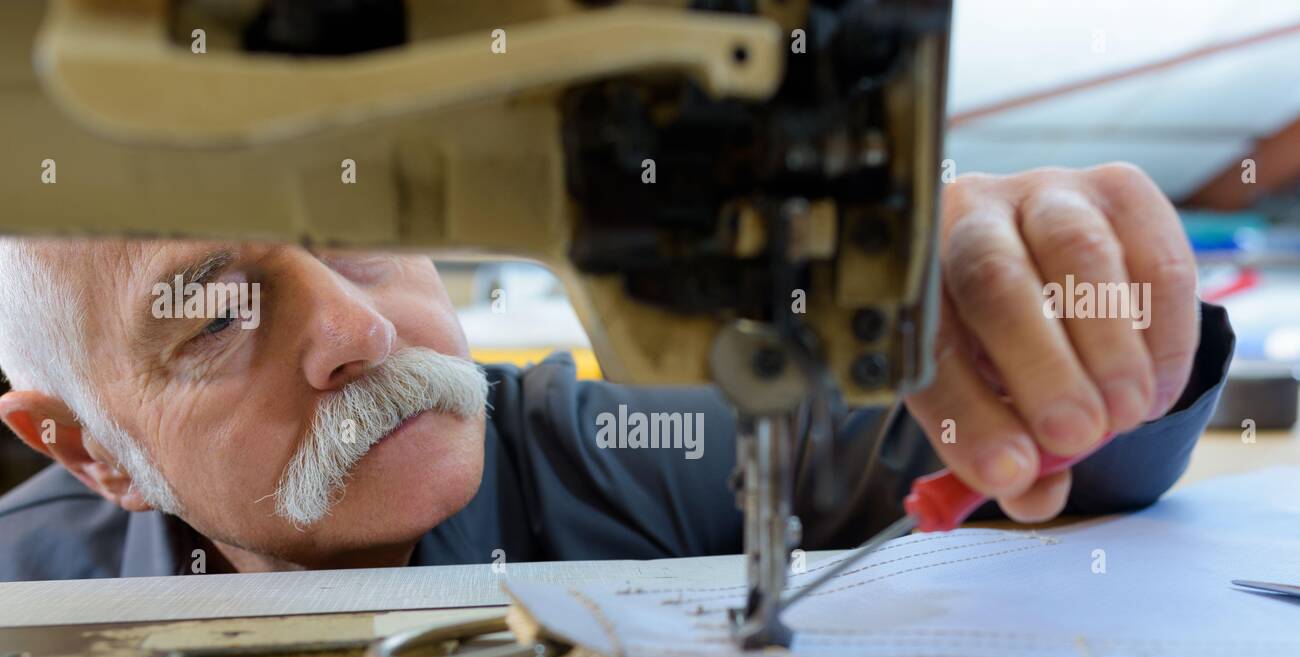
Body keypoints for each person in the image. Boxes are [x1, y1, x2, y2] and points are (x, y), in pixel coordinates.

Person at [0, 164, 1232, 580]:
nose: (360, 331)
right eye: (216, 315)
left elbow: (1011, 450)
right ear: (90, 448)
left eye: (354, 230)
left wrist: (1059, 318)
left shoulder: (601, 450)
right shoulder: (29, 600)